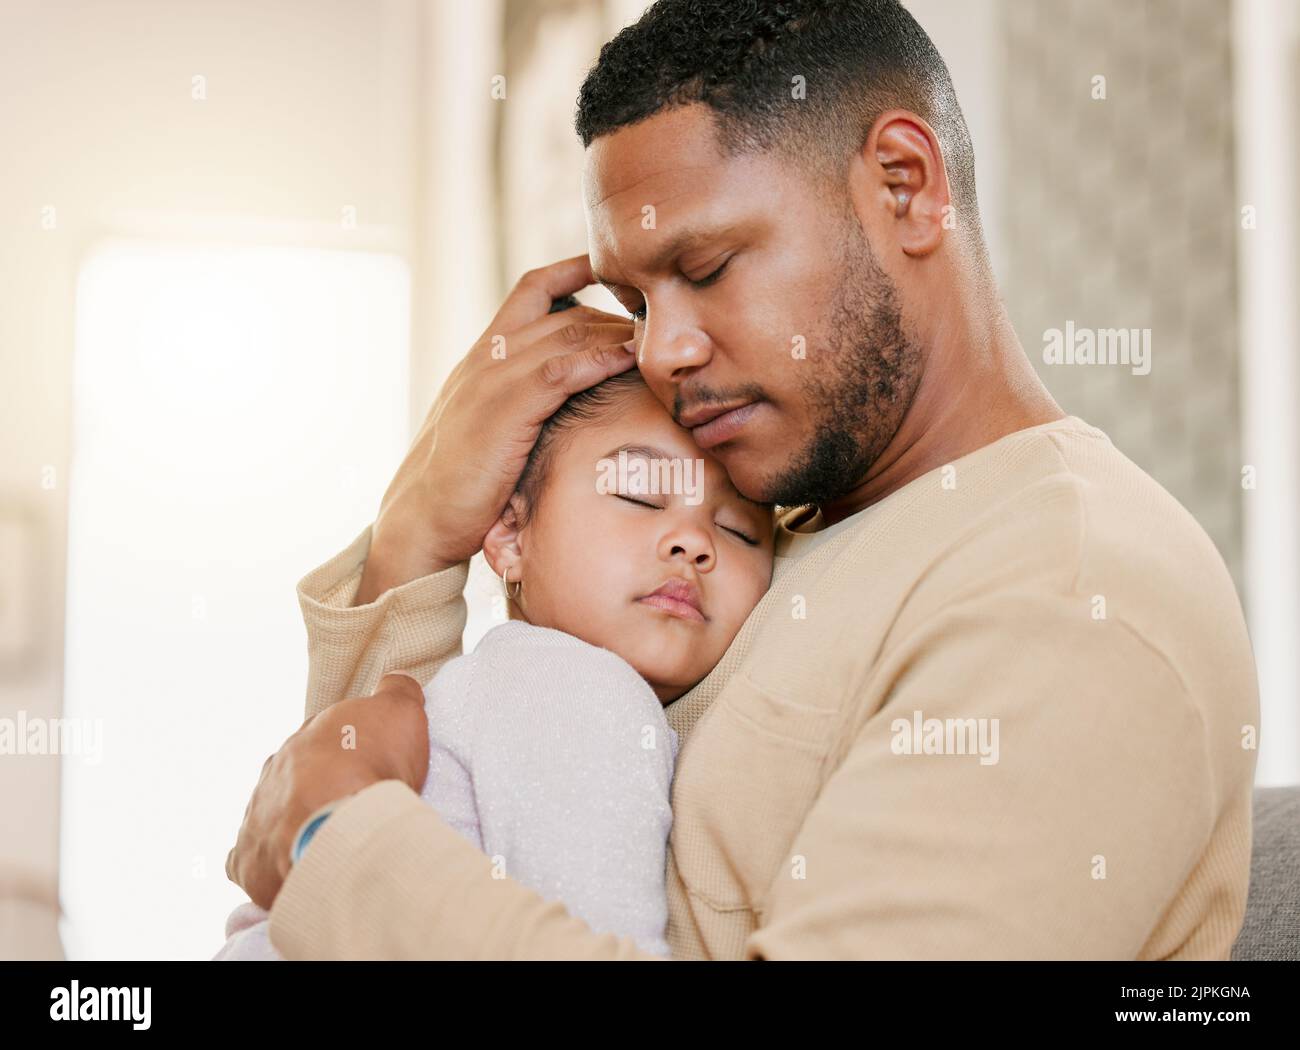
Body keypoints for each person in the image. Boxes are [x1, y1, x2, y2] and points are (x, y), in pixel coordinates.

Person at [226, 0, 1259, 960]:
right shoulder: (772, 508)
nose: (664, 351)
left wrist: (338, 848)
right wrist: (418, 537)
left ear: (904, 185)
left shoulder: (1070, 587)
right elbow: (428, 810)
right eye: (633, 296)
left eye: (709, 268)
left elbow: (337, 850)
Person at [213, 370, 774, 959]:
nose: (692, 541)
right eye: (638, 494)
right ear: (510, 535)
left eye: (739, 529)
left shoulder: (487, 685)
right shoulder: (578, 686)